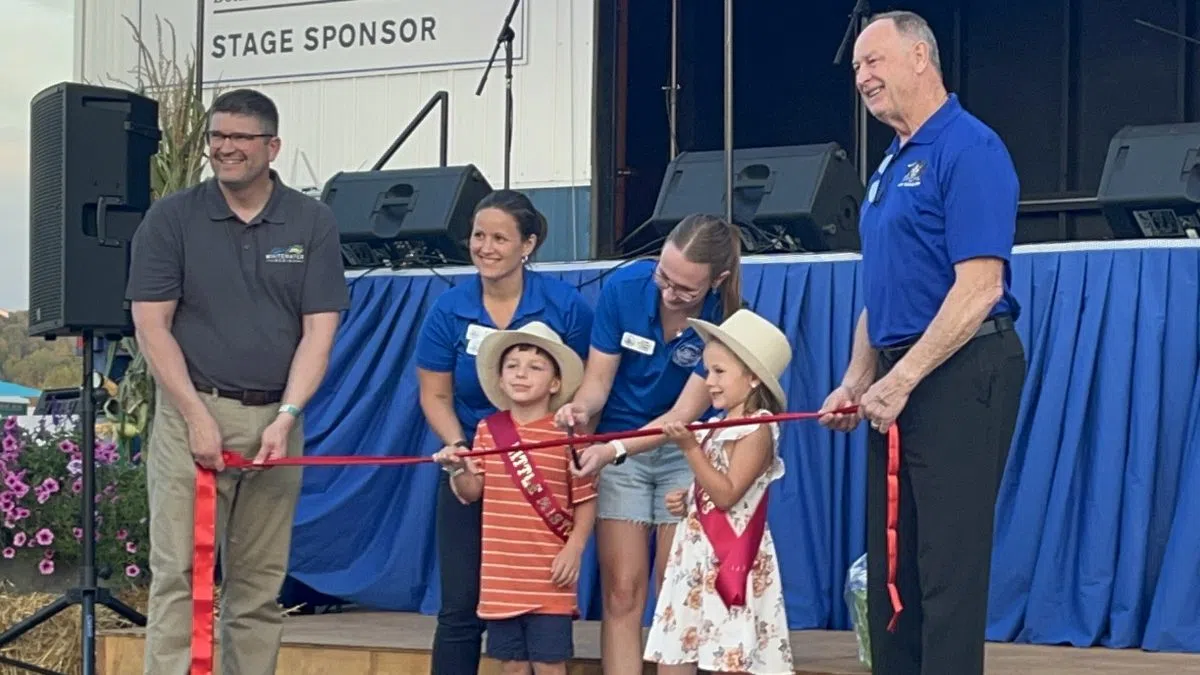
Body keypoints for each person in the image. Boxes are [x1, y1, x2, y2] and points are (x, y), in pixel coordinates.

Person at [820, 11, 1026, 675]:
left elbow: (979, 286)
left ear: (920, 57)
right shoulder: (889, 163)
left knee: (947, 570)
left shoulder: (970, 149)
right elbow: (881, 289)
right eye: (856, 68)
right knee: (894, 572)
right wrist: (857, 379)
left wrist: (903, 377)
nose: (863, 77)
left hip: (961, 373)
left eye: (874, 61)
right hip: (898, 375)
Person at [126, 88, 349, 675]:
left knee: (258, 582)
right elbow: (151, 328)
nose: (225, 149)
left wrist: (289, 416)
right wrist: (195, 416)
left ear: (271, 146)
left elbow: (319, 334)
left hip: (277, 422)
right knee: (180, 573)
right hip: (191, 413)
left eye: (239, 138)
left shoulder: (312, 221)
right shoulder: (172, 218)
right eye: (216, 137)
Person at [415, 190, 594, 674]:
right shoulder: (448, 308)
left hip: (543, 465)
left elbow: (579, 387)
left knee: (542, 609)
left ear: (528, 245)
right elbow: (434, 395)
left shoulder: (566, 306)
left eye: (500, 237)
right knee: (460, 605)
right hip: (474, 462)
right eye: (478, 236)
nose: (486, 247)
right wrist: (457, 447)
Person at [555, 213, 744, 669]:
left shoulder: (728, 319)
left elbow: (681, 418)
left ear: (716, 281)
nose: (669, 293)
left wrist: (612, 449)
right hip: (619, 453)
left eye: (685, 290)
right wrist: (580, 410)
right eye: (663, 276)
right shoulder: (624, 289)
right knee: (623, 590)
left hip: (682, 453)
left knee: (676, 591)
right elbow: (598, 383)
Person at [432, 322, 597, 675]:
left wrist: (575, 547)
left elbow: (585, 498)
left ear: (555, 383)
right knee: (512, 665)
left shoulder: (567, 434)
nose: (521, 374)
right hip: (501, 578)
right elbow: (472, 493)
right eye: (512, 366)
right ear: (501, 378)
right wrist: (457, 469)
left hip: (550, 574)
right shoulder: (488, 431)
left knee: (550, 664)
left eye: (535, 367)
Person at [644, 309, 795, 675]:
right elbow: (710, 487)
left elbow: (728, 495)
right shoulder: (714, 426)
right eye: (708, 370)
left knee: (731, 654)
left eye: (719, 372)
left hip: (732, 558)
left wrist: (690, 450)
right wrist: (687, 499)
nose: (709, 381)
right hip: (696, 556)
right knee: (677, 654)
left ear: (754, 378)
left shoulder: (758, 429)